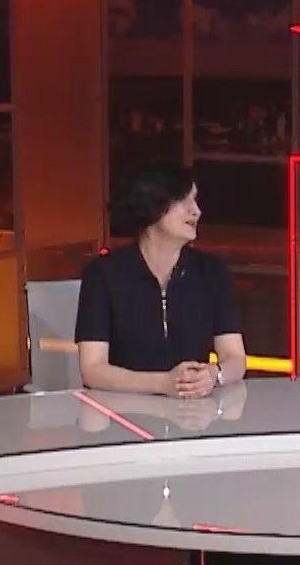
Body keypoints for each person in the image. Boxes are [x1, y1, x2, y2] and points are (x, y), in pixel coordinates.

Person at [75, 165, 247, 398]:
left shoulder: (212, 271)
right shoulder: (103, 274)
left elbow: (235, 358)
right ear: (153, 206)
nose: (196, 211)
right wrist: (164, 384)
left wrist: (214, 375)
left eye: (195, 200)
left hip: (192, 411)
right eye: (183, 201)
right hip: (122, 409)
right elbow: (93, 370)